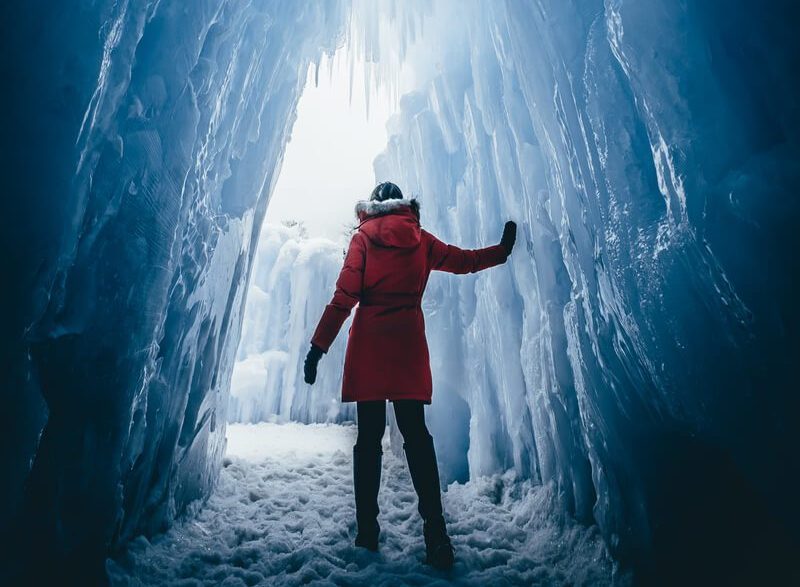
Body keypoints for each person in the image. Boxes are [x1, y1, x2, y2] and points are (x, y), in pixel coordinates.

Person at [303, 181, 516, 571]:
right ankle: (436, 534)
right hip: (406, 347)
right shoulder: (421, 240)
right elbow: (464, 261)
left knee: (368, 441)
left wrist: (318, 347)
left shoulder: (363, 239)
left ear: (373, 205)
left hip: (368, 347)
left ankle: (367, 531)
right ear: (404, 207)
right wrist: (501, 252)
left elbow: (343, 298)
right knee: (417, 438)